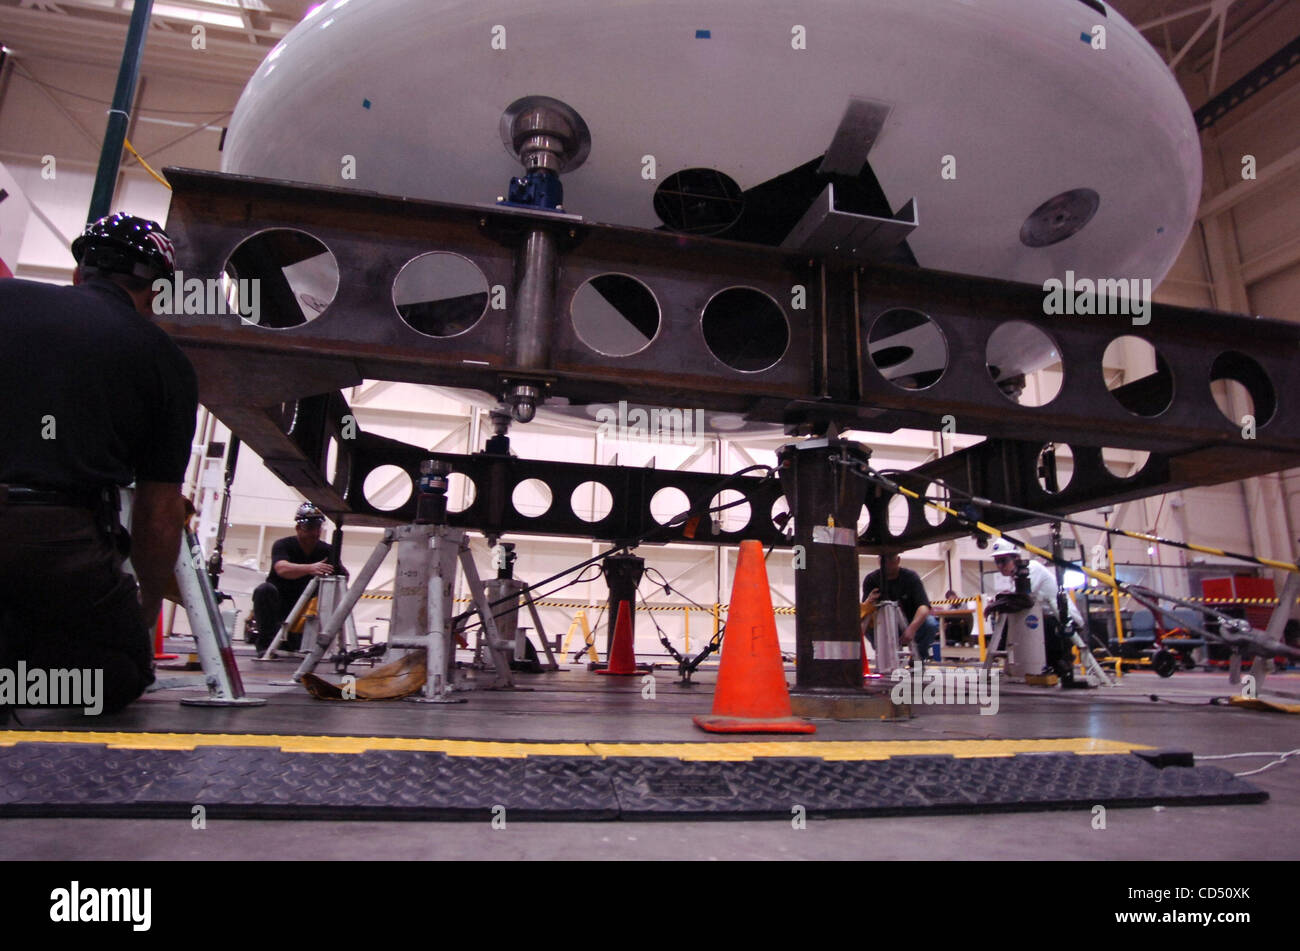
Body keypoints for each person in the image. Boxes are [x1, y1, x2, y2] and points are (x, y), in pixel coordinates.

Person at [0, 213, 197, 716]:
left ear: (78, 271)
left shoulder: (8, 298)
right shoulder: (165, 360)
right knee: (119, 673)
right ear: (157, 292)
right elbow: (158, 511)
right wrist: (146, 608)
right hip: (55, 543)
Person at [251, 503, 348, 654]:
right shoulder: (283, 545)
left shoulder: (327, 550)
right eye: (309, 528)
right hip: (279, 604)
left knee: (294, 645)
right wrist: (310, 568)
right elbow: (281, 569)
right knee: (264, 590)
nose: (314, 532)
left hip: (305, 610)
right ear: (298, 528)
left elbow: (343, 577)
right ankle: (265, 645)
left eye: (317, 527)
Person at [989, 538, 1084, 680]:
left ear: (1016, 558)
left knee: (1056, 662)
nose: (1000, 566)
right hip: (1047, 619)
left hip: (1064, 620)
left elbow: (1021, 598)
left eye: (1004, 561)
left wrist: (995, 604)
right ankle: (1007, 657)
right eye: (997, 562)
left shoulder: (1032, 569)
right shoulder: (1016, 575)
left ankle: (1060, 664)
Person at [861, 552, 939, 658]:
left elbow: (924, 607)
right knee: (862, 625)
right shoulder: (871, 579)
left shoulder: (911, 577)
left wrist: (912, 629)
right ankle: (884, 656)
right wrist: (869, 602)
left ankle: (918, 660)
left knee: (931, 624)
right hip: (882, 626)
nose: (887, 564)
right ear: (878, 561)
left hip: (909, 624)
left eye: (890, 560)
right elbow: (864, 613)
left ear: (898, 560)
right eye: (884, 560)